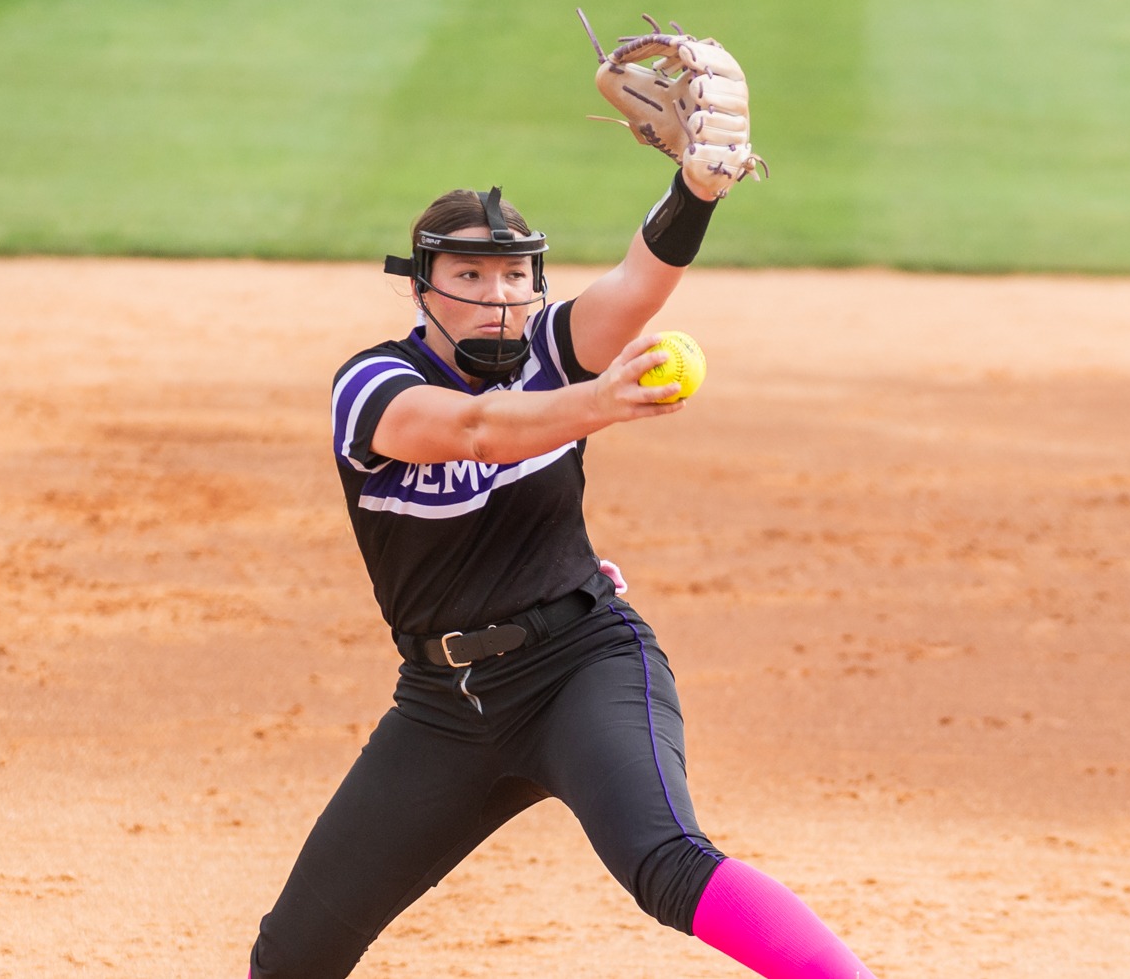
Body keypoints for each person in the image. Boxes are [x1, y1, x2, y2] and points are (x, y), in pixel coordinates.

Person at [246, 166, 880, 979]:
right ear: (421, 288)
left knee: (666, 860)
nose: (498, 295)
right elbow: (475, 428)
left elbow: (637, 285)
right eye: (469, 275)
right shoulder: (371, 384)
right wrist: (599, 402)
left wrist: (698, 187)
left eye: (515, 275)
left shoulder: (552, 353)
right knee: (293, 955)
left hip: (583, 663)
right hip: (446, 706)